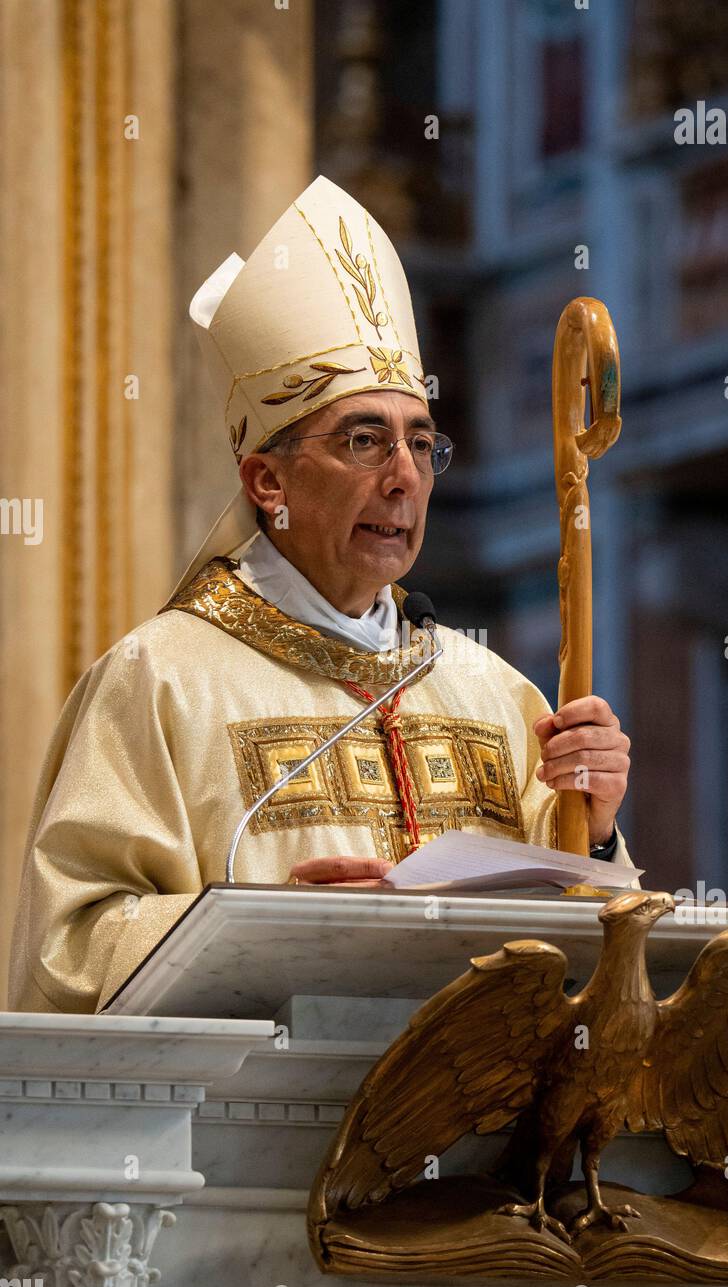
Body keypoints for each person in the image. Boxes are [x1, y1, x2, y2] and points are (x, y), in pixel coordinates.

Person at [10, 175, 633, 1015]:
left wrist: (592, 831)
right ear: (267, 479)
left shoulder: (493, 693)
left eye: (421, 441)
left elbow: (587, 971)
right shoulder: (162, 682)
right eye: (364, 439)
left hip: (486, 1130)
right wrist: (292, 931)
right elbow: (72, 950)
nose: (405, 476)